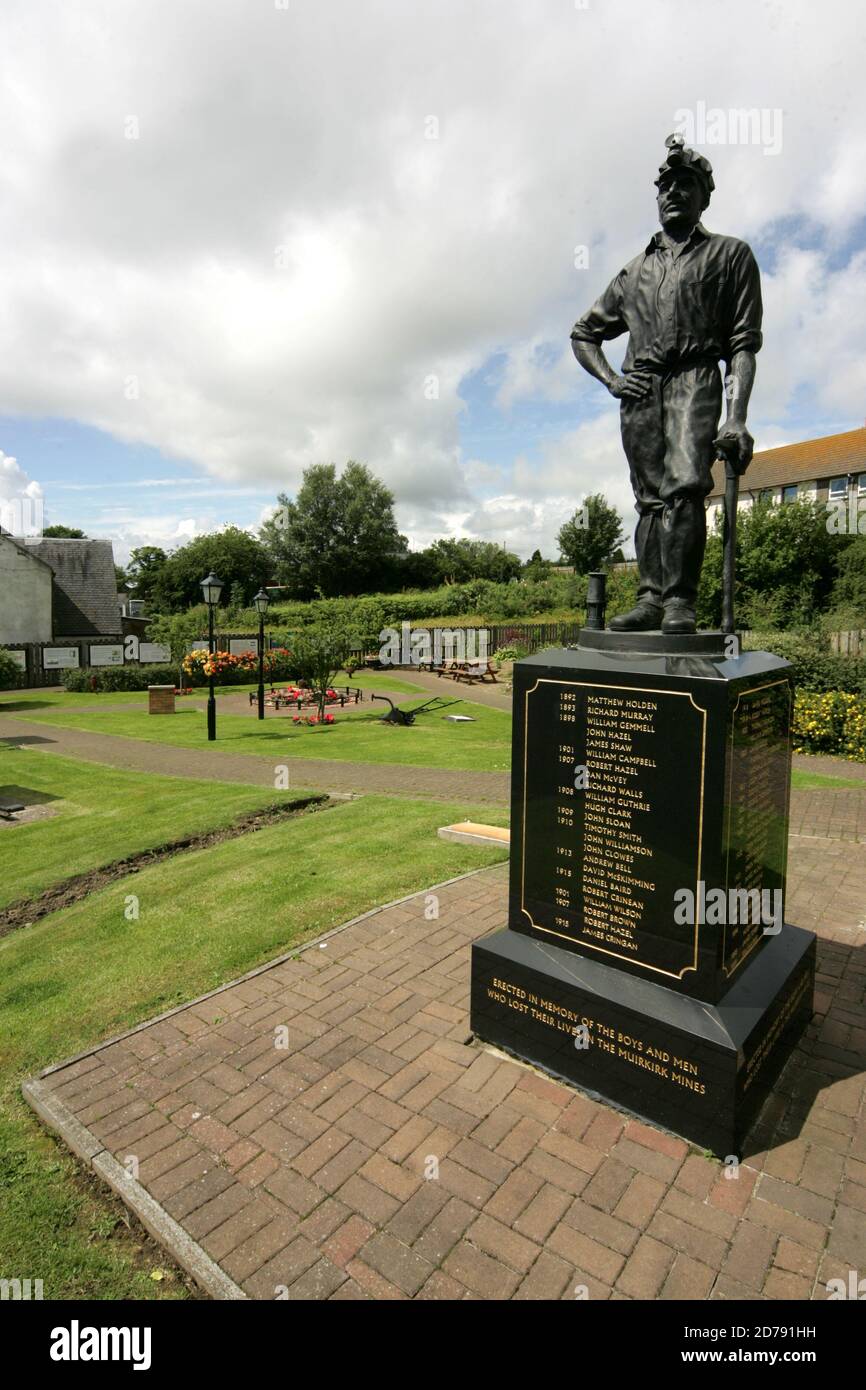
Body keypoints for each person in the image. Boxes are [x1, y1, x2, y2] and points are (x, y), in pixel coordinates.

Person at [570, 134, 763, 634]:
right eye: (666, 186)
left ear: (704, 196)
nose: (674, 193)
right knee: (649, 499)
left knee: (683, 490)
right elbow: (584, 333)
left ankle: (679, 600)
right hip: (640, 389)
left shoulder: (729, 255)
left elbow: (743, 343)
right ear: (657, 198)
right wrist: (613, 380)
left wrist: (736, 416)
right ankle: (651, 598)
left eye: (686, 184)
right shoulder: (633, 272)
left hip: (695, 378)